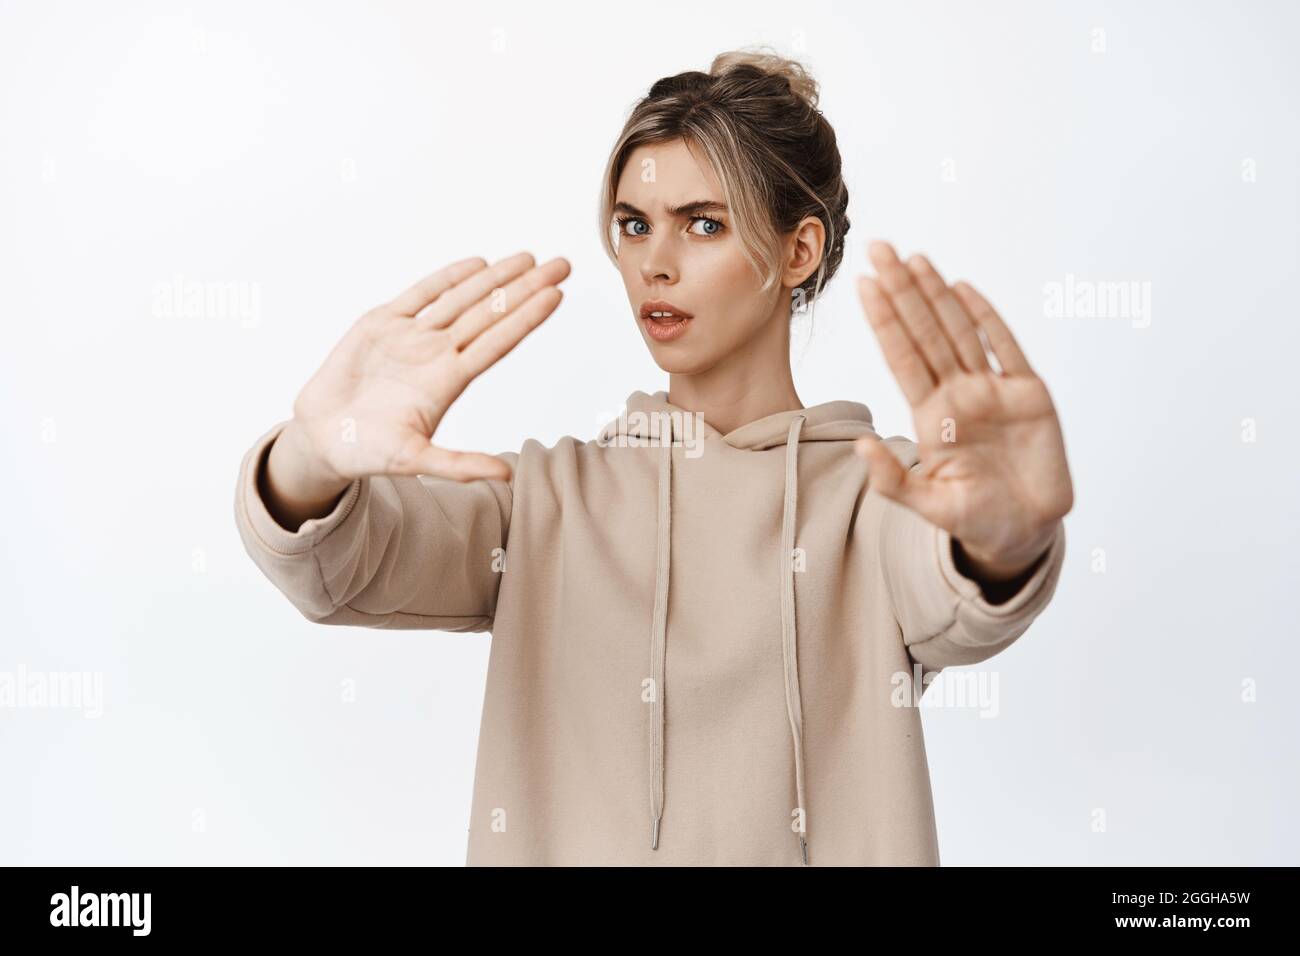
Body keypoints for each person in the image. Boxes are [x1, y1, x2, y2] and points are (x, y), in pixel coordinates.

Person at [234, 47, 1073, 866]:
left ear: (799, 251)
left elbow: (957, 597)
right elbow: (344, 563)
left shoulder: (881, 500)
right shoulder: (544, 503)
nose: (653, 264)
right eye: (634, 226)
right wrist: (314, 456)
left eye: (702, 224)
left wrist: (1004, 540)